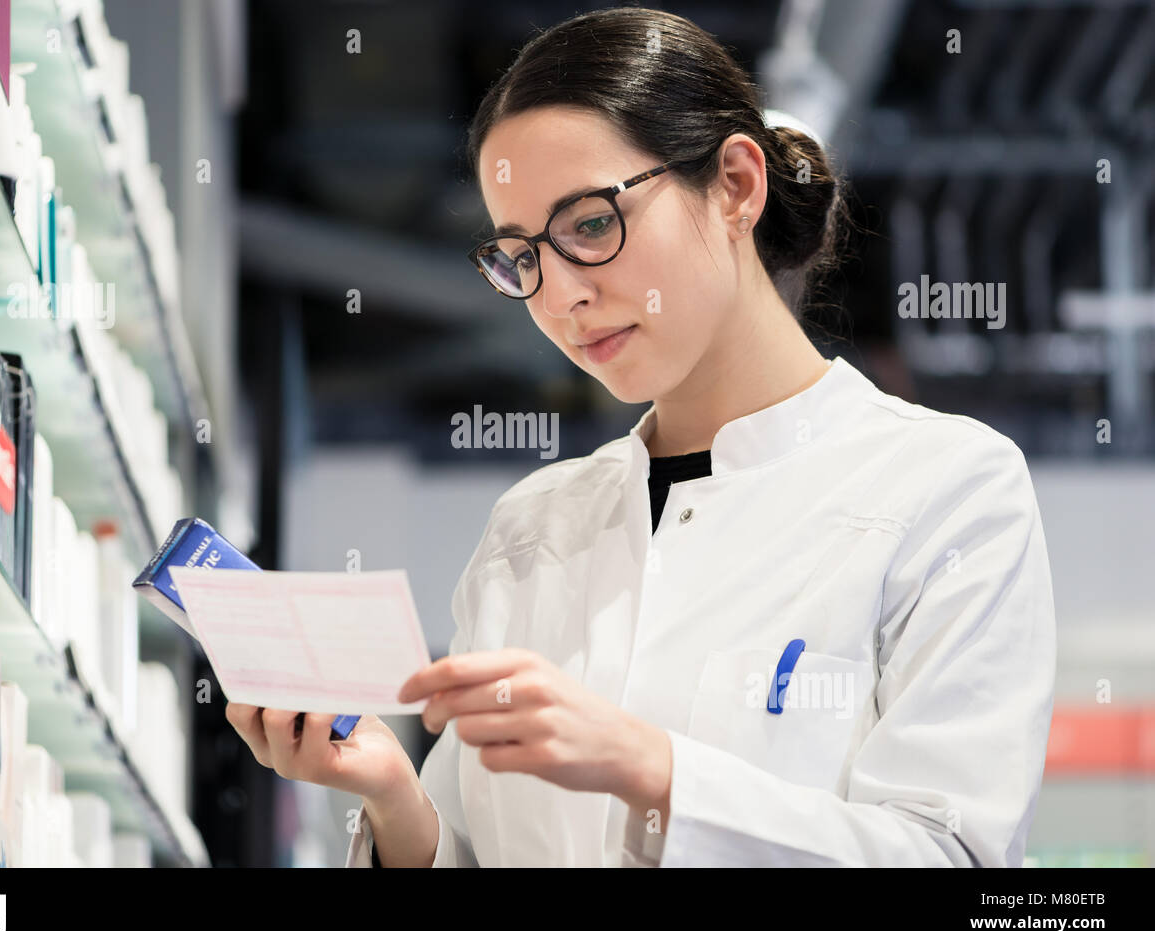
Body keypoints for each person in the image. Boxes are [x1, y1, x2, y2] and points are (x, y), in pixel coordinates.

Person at [226, 6, 1056, 867]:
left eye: (589, 224)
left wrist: (653, 770)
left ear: (735, 185)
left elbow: (959, 859)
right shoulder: (530, 529)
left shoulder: (948, 491)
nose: (559, 298)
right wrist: (395, 795)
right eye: (522, 256)